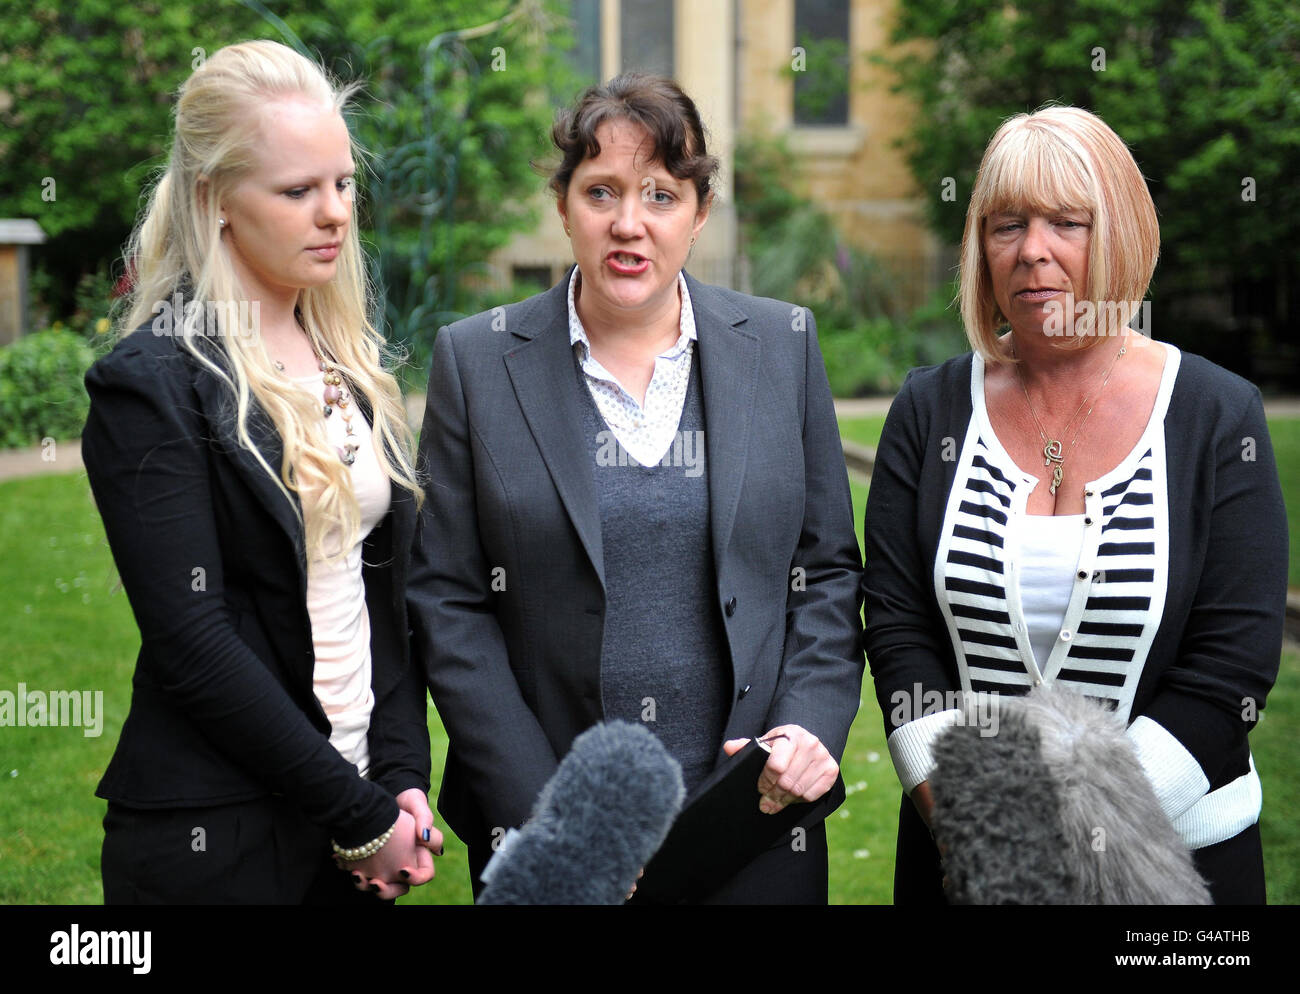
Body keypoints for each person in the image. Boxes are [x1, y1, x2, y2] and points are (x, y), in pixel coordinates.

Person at [408, 73, 865, 903]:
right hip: (555, 831)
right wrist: (559, 814)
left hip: (752, 815)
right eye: (601, 191)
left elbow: (826, 568)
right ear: (562, 205)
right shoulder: (475, 362)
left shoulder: (782, 345)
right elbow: (447, 599)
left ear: (699, 211)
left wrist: (808, 726)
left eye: (661, 194)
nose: (629, 223)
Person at [862, 105, 1287, 904]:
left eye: (1068, 223)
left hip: (1177, 868)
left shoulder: (1215, 415)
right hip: (962, 862)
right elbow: (899, 634)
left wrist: (1070, 846)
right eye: (1006, 224)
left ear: (1120, 234)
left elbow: (1229, 668)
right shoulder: (928, 411)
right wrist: (977, 829)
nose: (1033, 251)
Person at [82, 40, 442, 904]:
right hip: (221, 838)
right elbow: (195, 648)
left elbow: (381, 596)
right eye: (298, 191)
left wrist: (397, 778)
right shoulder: (152, 381)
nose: (336, 214)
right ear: (214, 202)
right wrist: (355, 816)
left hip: (356, 813)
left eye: (344, 183)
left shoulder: (346, 364)